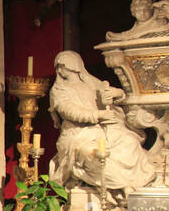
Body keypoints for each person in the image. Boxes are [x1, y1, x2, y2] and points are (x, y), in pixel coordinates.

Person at [48, 51, 157, 197]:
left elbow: (114, 95)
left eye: (62, 67)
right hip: (77, 135)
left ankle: (136, 182)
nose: (59, 71)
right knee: (92, 154)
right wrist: (97, 115)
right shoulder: (59, 90)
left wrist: (117, 93)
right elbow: (69, 111)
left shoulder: (90, 83)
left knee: (129, 141)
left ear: (74, 66)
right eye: (58, 68)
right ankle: (123, 186)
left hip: (100, 130)